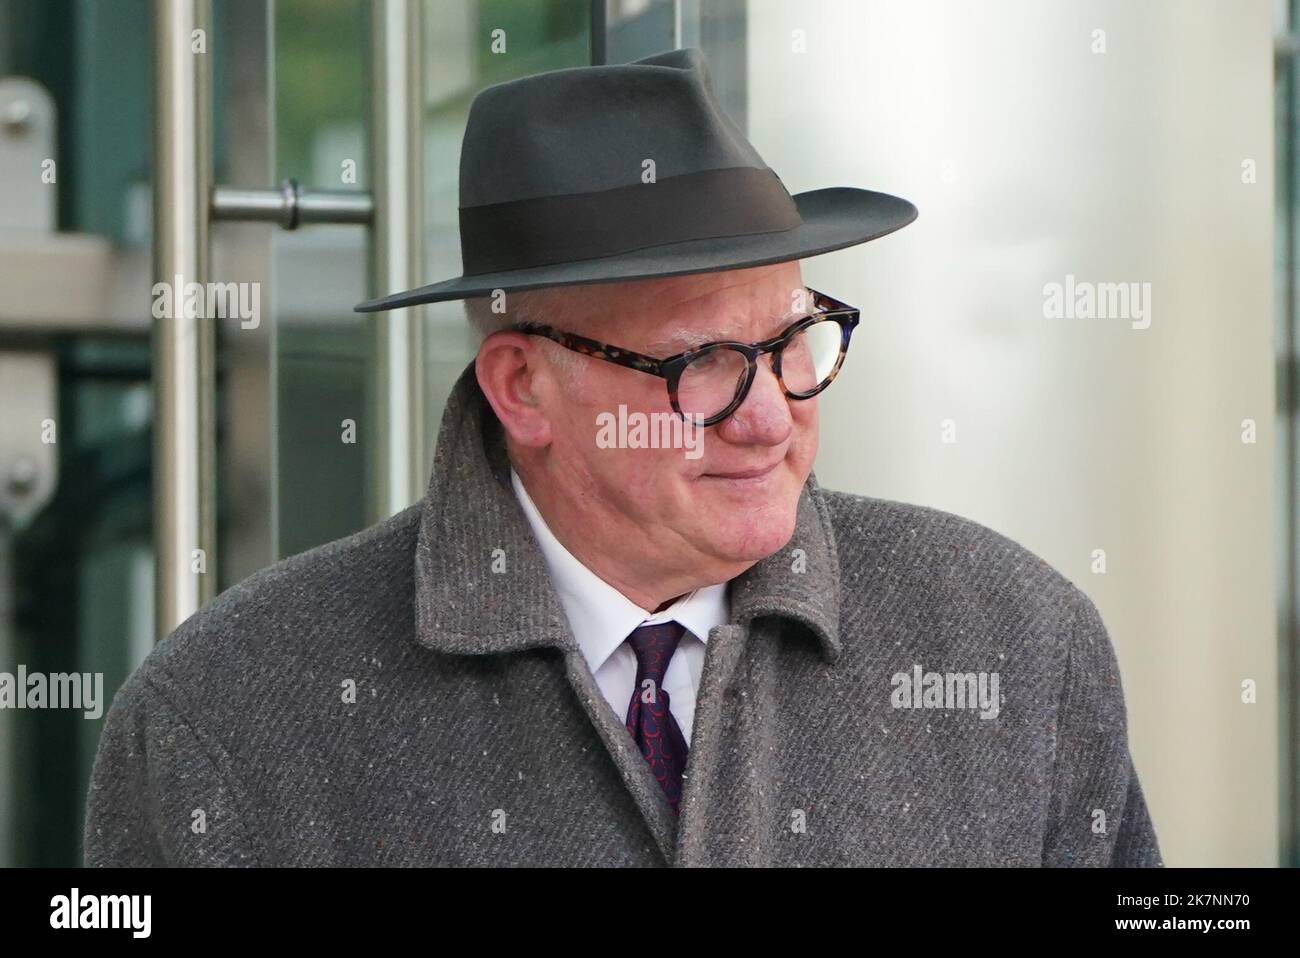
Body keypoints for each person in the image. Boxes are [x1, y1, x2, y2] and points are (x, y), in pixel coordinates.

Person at [83, 48, 1160, 866]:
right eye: (701, 366)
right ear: (522, 387)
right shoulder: (226, 717)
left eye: (793, 342)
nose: (770, 417)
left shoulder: (1019, 645)